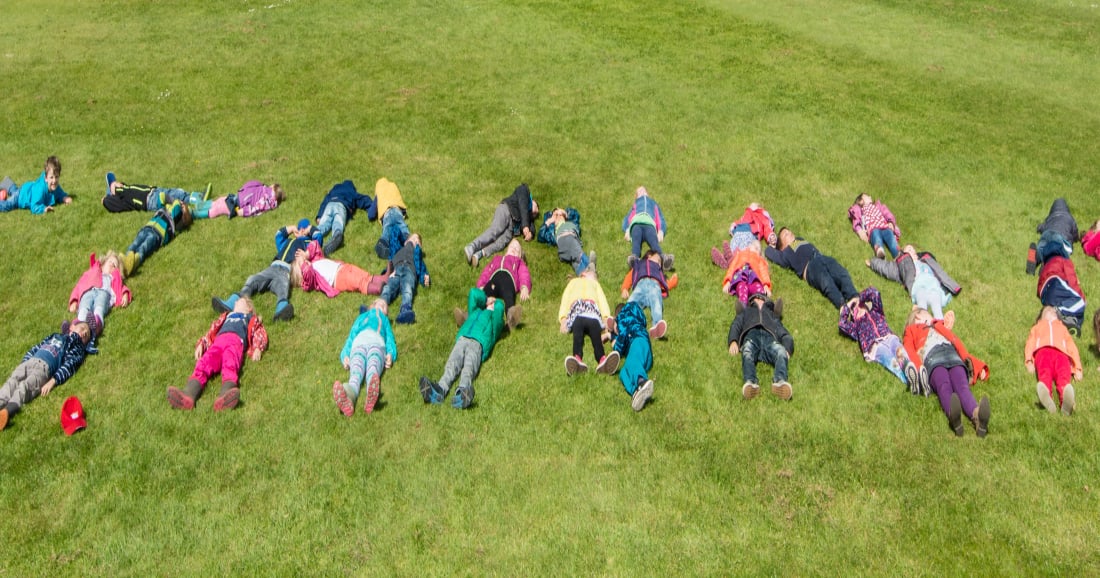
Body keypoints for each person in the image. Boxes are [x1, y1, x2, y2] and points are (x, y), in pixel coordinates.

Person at [901, 308, 991, 437]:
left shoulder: (939, 325)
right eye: (928, 312)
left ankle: (977, 416)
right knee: (944, 385)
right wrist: (919, 367)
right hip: (933, 360)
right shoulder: (912, 330)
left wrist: (978, 366)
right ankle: (954, 416)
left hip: (953, 356)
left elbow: (961, 349)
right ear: (918, 317)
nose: (931, 315)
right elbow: (908, 349)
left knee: (963, 387)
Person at [167, 297, 268, 412]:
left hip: (234, 343)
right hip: (217, 343)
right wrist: (202, 344)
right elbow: (212, 331)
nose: (235, 302)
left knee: (230, 364)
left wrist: (258, 348)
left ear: (249, 308)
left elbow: (259, 332)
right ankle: (188, 394)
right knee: (204, 363)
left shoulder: (250, 318)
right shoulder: (226, 316)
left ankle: (226, 395)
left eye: (239, 301)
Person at [212, 219, 322, 322]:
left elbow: (319, 238)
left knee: (282, 288)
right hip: (272, 267)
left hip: (287, 270)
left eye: (304, 229)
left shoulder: (308, 243)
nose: (301, 230)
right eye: (300, 228)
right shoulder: (287, 242)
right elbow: (278, 235)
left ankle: (282, 309)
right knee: (253, 279)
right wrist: (291, 228)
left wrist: (310, 229)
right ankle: (231, 302)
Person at [419, 287, 505, 409]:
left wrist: (495, 304)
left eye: (493, 303)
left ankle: (462, 393)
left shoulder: (495, 321)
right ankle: (439, 390)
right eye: (490, 303)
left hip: (478, 344)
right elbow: (473, 294)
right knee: (452, 364)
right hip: (462, 339)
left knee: (469, 367)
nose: (492, 304)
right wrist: (486, 299)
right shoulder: (474, 311)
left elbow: (501, 307)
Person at [0, 322, 93, 431]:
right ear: (72, 327)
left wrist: (53, 381)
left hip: (44, 369)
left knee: (25, 387)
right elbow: (36, 347)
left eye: (86, 335)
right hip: (30, 362)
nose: (83, 333)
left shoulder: (76, 348)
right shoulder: (55, 336)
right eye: (82, 329)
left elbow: (68, 366)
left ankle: (7, 411)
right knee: (11, 382)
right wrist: (24, 362)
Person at [765, 227, 857, 309]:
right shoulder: (785, 253)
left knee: (840, 272)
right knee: (826, 281)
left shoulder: (800, 240)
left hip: (822, 258)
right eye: (786, 234)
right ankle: (843, 306)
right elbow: (768, 252)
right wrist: (772, 245)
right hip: (810, 266)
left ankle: (854, 297)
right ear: (782, 246)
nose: (790, 233)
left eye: (789, 231)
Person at [867, 244, 962, 322]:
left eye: (912, 249)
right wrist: (873, 262)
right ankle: (922, 322)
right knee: (922, 297)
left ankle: (940, 322)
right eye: (908, 249)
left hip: (932, 284)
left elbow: (940, 273)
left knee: (935, 298)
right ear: (903, 254)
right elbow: (887, 268)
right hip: (918, 285)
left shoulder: (926, 261)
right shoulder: (902, 265)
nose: (911, 250)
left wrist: (952, 286)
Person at [334, 299, 396, 416]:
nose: (382, 305)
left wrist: (390, 354)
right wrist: (345, 356)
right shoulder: (361, 317)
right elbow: (351, 337)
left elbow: (390, 339)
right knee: (356, 371)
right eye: (379, 303)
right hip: (358, 345)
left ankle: (372, 394)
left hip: (377, 344)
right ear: (371, 305)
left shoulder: (385, 320)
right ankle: (349, 396)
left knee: (373, 367)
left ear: (386, 313)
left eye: (384, 306)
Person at [727, 293, 794, 401]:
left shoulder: (770, 315)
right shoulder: (747, 312)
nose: (758, 299)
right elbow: (736, 325)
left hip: (769, 338)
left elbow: (783, 332)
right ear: (751, 303)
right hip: (752, 336)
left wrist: (787, 347)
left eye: (761, 298)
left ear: (766, 302)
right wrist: (733, 341)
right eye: (755, 299)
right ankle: (750, 383)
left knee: (780, 351)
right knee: (747, 351)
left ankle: (780, 382)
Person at [455, 239, 530, 331]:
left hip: (508, 282)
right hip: (494, 282)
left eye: (517, 249)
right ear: (506, 250)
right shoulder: (497, 259)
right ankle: (468, 317)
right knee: (485, 296)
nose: (514, 248)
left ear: (520, 256)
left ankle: (511, 318)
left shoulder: (519, 262)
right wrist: (481, 285)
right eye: (512, 246)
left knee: (509, 295)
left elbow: (524, 274)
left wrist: (524, 287)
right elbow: (486, 272)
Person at [838, 287, 908, 384]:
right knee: (891, 361)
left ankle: (912, 372)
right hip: (875, 346)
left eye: (861, 306)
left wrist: (859, 299)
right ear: (854, 317)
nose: (858, 308)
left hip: (889, 337)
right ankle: (907, 381)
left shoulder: (877, 312)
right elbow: (842, 324)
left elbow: (874, 292)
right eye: (855, 310)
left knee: (900, 351)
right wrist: (848, 306)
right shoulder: (856, 327)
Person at [559, 267, 619, 375]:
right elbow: (565, 299)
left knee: (596, 333)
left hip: (592, 312)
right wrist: (563, 318)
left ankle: (602, 359)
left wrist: (605, 317)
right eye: (594, 276)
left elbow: (602, 300)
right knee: (577, 332)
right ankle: (577, 358)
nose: (595, 279)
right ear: (584, 274)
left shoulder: (596, 285)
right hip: (577, 309)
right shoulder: (573, 282)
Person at [464, 183, 538, 267]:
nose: (535, 212)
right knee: (495, 230)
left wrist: (531, 233)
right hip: (507, 210)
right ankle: (472, 246)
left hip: (512, 228)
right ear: (533, 201)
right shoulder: (524, 190)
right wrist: (525, 225)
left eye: (535, 215)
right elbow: (523, 205)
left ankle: (479, 254)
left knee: (501, 243)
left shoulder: (528, 217)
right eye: (536, 208)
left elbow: (531, 225)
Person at [1025, 306, 1081, 416]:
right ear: (1041, 317)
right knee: (1044, 372)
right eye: (1047, 310)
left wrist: (1077, 367)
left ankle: (1066, 400)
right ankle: (1046, 397)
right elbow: (1030, 343)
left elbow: (1072, 347)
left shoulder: (1063, 328)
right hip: (1043, 352)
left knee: (1063, 375)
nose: (1051, 310)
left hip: (1062, 354)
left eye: (1053, 311)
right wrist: (1029, 361)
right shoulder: (1037, 327)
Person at [68, 251, 132, 347]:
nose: (112, 265)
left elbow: (122, 288)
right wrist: (74, 301)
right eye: (110, 262)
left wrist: (125, 295)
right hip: (88, 292)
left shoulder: (113, 278)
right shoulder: (92, 271)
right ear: (103, 263)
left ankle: (97, 324)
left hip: (104, 293)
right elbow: (79, 285)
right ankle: (77, 327)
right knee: (84, 306)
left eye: (114, 265)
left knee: (100, 305)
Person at [291, 240, 389, 297]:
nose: (304, 262)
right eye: (302, 265)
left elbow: (315, 244)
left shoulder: (314, 261)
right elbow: (308, 272)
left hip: (343, 267)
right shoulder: (309, 281)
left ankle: (382, 278)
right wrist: (302, 263)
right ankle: (376, 289)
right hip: (338, 279)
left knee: (363, 275)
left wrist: (307, 254)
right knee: (357, 282)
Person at [120, 200, 193, 276]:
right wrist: (169, 200)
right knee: (134, 244)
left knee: (144, 247)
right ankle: (125, 261)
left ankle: (134, 263)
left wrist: (181, 205)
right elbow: (161, 197)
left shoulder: (177, 220)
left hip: (158, 235)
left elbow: (177, 210)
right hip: (147, 228)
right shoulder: (163, 209)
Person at [620, 249, 679, 339]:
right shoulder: (639, 265)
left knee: (657, 305)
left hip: (655, 286)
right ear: (649, 256)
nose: (659, 263)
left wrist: (673, 281)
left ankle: (656, 327)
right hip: (640, 285)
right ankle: (621, 322)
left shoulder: (658, 271)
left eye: (660, 263)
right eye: (658, 260)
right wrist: (624, 289)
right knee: (631, 303)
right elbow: (629, 277)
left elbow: (666, 284)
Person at [610, 302, 656, 411]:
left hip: (638, 342)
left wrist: (615, 346)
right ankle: (636, 391)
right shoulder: (635, 319)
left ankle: (641, 382)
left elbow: (623, 336)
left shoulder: (624, 318)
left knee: (632, 362)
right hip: (645, 358)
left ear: (616, 319)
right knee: (623, 372)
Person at [379, 233, 430, 324]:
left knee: (407, 289)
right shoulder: (398, 249)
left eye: (417, 241)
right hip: (396, 270)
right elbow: (394, 233)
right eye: (413, 238)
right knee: (388, 288)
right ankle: (378, 308)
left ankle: (405, 310)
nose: (414, 240)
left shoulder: (417, 255)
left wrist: (425, 277)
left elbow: (422, 268)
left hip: (409, 271)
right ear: (406, 241)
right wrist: (388, 272)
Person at [315, 179, 375, 256]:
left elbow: (324, 201)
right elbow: (363, 199)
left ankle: (313, 233)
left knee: (324, 223)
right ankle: (337, 234)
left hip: (330, 204)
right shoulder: (352, 192)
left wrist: (319, 216)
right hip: (341, 205)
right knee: (338, 222)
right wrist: (372, 208)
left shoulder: (333, 190)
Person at [101, 171, 208, 213]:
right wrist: (105, 200)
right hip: (149, 200)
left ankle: (195, 198)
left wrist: (116, 185)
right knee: (170, 199)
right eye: (115, 184)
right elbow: (109, 202)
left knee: (176, 192)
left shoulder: (125, 188)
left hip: (153, 191)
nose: (118, 183)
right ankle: (192, 208)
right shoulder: (121, 199)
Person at [1036, 245, 1086, 335]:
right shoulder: (1062, 260)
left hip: (1045, 293)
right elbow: (1071, 278)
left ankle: (1068, 321)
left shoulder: (1045, 266)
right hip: (1056, 283)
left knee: (1069, 306)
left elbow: (1038, 288)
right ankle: (1059, 313)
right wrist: (1079, 295)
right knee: (1080, 304)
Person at [622, 186, 673, 269]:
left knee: (654, 243)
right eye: (639, 191)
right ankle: (634, 260)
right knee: (636, 243)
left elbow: (660, 218)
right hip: (636, 224)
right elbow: (628, 217)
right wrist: (627, 229)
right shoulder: (636, 204)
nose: (642, 191)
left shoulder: (653, 203)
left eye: (643, 190)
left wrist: (661, 231)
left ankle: (663, 259)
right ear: (637, 196)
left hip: (649, 225)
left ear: (647, 193)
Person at [711, 203, 774, 269]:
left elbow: (767, 228)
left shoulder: (762, 216)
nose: (750, 205)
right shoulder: (747, 213)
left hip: (749, 233)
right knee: (733, 246)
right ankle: (729, 259)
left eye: (754, 204)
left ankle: (730, 260)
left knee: (744, 248)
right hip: (737, 232)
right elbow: (740, 221)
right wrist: (733, 226)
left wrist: (771, 236)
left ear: (759, 208)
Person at [0, 156, 70, 214]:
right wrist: (44, 209)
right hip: (20, 198)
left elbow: (60, 193)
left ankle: (6, 182)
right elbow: (34, 206)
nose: (54, 181)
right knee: (7, 206)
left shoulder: (55, 186)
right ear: (46, 178)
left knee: (15, 191)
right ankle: (6, 185)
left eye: (56, 177)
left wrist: (65, 198)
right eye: (51, 177)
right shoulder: (40, 189)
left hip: (26, 189)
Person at [539, 206, 594, 275]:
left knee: (575, 262)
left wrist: (565, 212)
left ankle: (585, 275)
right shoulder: (552, 229)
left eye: (560, 214)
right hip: (564, 240)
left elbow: (575, 214)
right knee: (572, 244)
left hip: (571, 243)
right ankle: (589, 263)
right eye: (556, 215)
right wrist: (548, 222)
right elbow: (540, 236)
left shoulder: (571, 222)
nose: (558, 216)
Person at [1030, 198, 1079, 274]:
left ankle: (1035, 257)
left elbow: (1042, 227)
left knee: (1042, 248)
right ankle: (1046, 265)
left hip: (1047, 234)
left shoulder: (1050, 217)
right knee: (1058, 255)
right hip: (1061, 239)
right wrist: (1076, 239)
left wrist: (1039, 228)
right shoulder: (1070, 218)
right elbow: (1075, 233)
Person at [191, 181, 285, 219]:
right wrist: (242, 190)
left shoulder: (266, 200)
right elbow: (252, 183)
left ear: (273, 188)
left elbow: (255, 208)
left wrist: (243, 212)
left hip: (238, 205)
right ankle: (200, 205)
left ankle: (196, 214)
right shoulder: (263, 188)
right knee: (220, 200)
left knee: (219, 208)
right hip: (238, 197)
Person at [847, 193, 901, 258]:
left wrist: (891, 222)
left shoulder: (878, 206)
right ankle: (879, 250)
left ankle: (898, 253)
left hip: (885, 226)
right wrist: (860, 231)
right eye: (867, 196)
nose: (870, 196)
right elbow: (856, 221)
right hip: (873, 228)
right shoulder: (859, 211)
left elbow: (887, 213)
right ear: (861, 201)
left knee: (891, 238)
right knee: (876, 236)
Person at [721, 241, 772, 307]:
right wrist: (728, 281)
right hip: (740, 277)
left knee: (759, 290)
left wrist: (766, 285)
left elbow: (764, 272)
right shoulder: (740, 254)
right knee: (742, 288)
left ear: (760, 253)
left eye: (758, 249)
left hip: (754, 279)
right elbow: (732, 268)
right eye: (755, 246)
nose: (756, 248)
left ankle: (764, 308)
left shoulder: (760, 259)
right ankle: (743, 307)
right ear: (749, 247)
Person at [374, 177, 409, 260]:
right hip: (397, 210)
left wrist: (372, 215)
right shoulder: (393, 186)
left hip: (387, 213)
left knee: (387, 228)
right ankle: (408, 242)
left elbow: (372, 211)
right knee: (402, 226)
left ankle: (383, 243)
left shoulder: (379, 192)